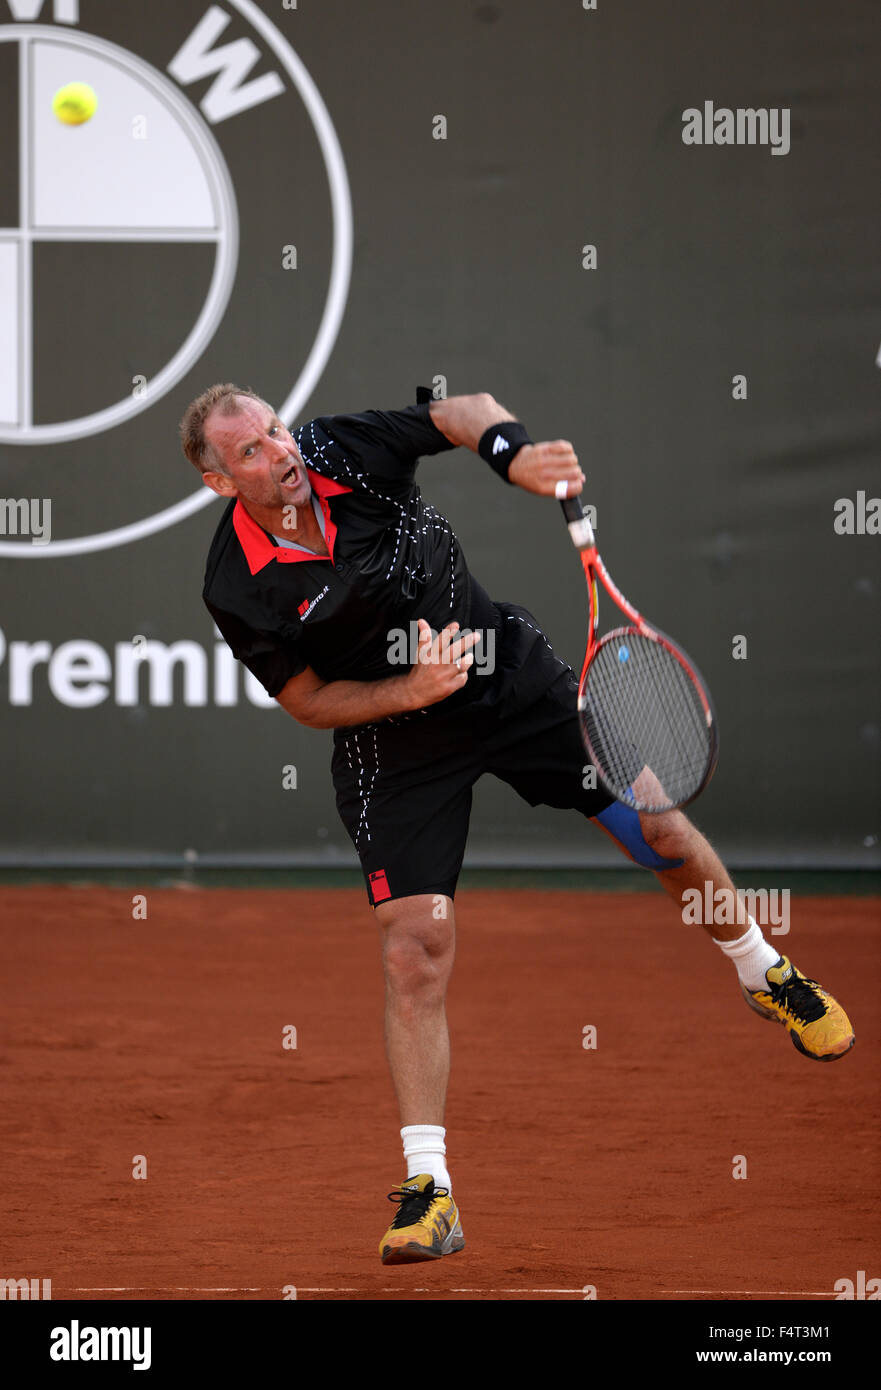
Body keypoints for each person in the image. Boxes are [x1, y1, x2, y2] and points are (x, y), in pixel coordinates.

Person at [179, 383, 855, 1266]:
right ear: (220, 482)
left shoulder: (342, 449)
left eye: (274, 428)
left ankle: (762, 970)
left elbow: (460, 411)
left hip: (508, 687)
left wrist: (511, 453)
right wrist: (407, 691)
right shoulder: (233, 583)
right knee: (411, 946)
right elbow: (306, 701)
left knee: (659, 831)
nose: (281, 451)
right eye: (255, 451)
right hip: (395, 745)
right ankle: (431, 1193)